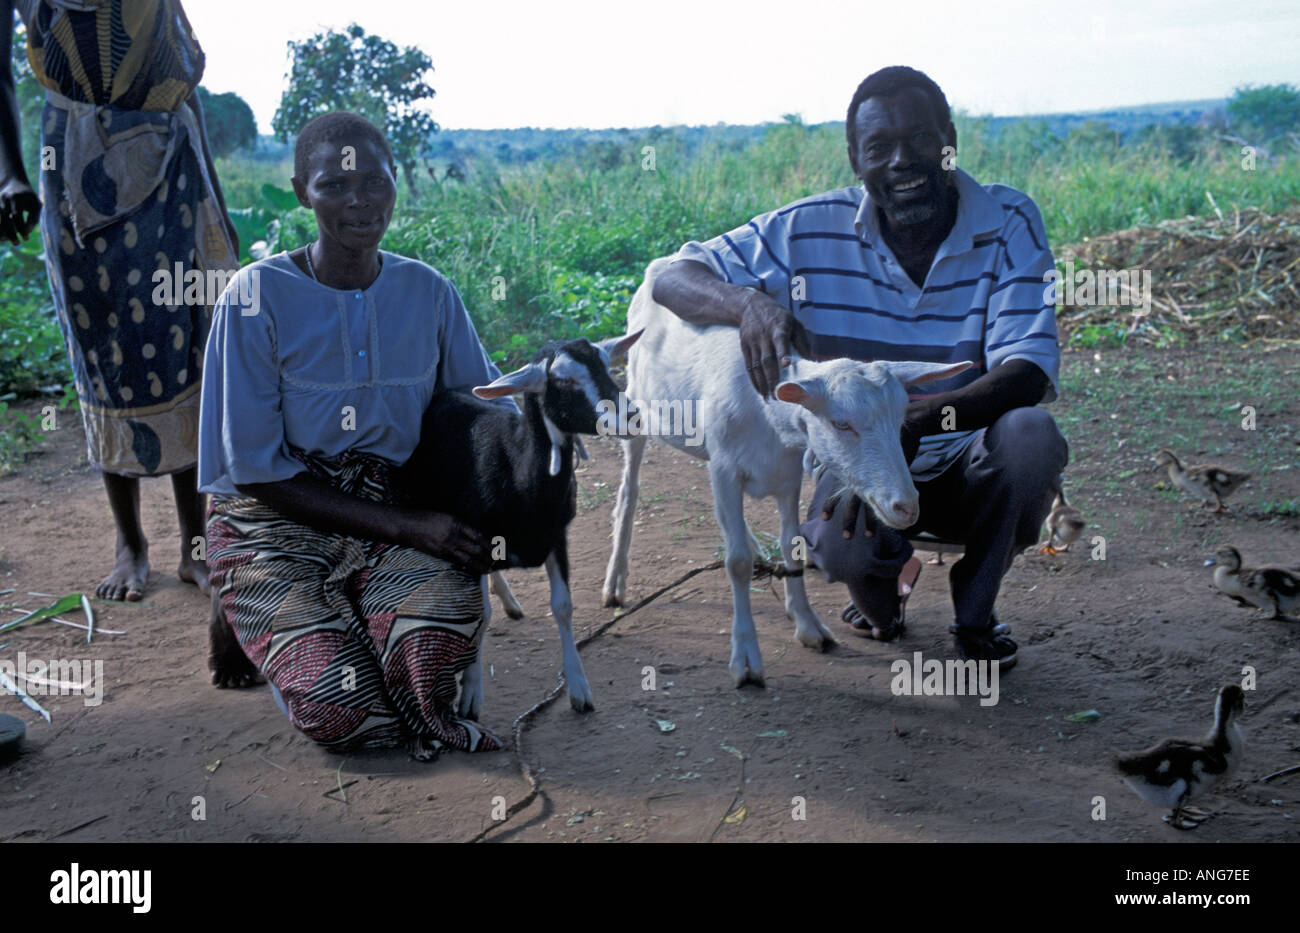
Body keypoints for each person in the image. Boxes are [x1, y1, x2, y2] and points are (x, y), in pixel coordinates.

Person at [651, 66, 1068, 671]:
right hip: (855, 462)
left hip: (964, 453)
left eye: (921, 140)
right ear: (855, 159)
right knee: (842, 543)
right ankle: (881, 601)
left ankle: (975, 610)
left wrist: (912, 421)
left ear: (950, 140)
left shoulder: (1007, 221)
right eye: (879, 148)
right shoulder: (806, 230)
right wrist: (748, 303)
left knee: (1031, 438)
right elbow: (671, 275)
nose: (902, 161)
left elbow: (1028, 371)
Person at [199, 112, 507, 757]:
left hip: (394, 501)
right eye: (334, 186)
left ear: (397, 183)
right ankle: (254, 599)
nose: (359, 201)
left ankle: (331, 610)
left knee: (425, 671)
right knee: (347, 715)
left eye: (375, 181)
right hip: (274, 515)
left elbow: (479, 411)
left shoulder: (427, 291)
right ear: (300, 191)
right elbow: (255, 469)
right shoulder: (255, 296)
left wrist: (543, 422)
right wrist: (411, 529)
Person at [0, 0, 237, 601]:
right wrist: (10, 175)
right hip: (73, 155)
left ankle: (194, 544)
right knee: (100, 346)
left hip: (168, 152)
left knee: (184, 337)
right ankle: (129, 542)